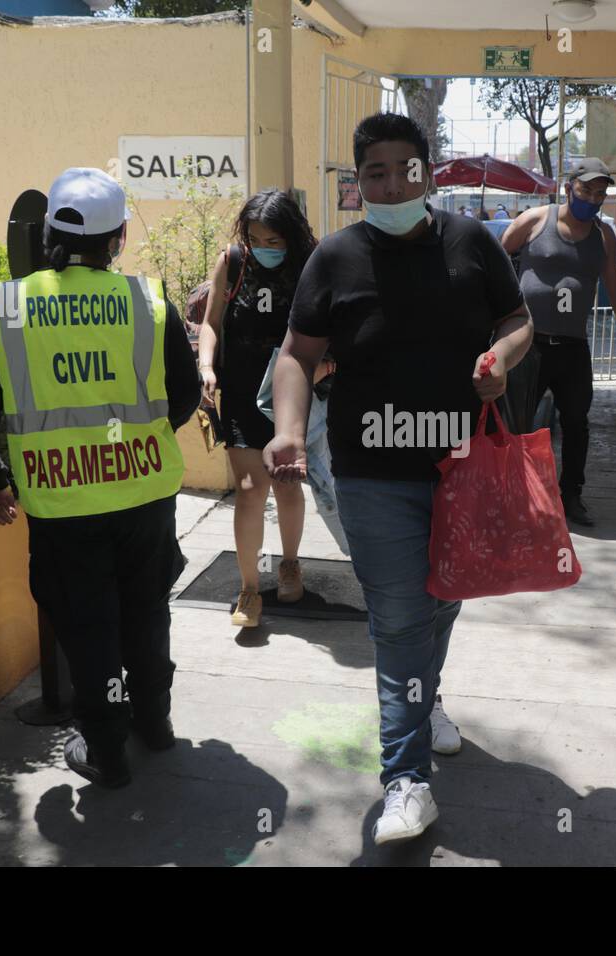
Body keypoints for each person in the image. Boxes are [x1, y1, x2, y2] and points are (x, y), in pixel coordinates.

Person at [264, 112, 533, 845]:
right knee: (399, 617)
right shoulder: (335, 257)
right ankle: (406, 780)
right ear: (358, 183)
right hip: (371, 472)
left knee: (444, 599)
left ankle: (425, 694)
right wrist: (288, 430)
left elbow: (517, 319)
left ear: (428, 173)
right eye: (373, 173)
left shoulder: (472, 243)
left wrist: (502, 359)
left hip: (464, 469)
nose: (388, 185)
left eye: (403, 170)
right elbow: (296, 354)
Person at [0, 167, 201, 788]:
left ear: (49, 236)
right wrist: (140, 440)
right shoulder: (149, 302)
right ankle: (155, 723)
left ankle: (107, 750)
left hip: (60, 504)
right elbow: (185, 394)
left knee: (89, 628)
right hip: (144, 494)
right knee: (146, 613)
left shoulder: (5, 307)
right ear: (118, 239)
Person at [196, 189, 332, 628]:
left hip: (291, 395)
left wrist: (327, 367)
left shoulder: (312, 263)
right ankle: (249, 589)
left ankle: (289, 564)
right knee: (250, 488)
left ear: (291, 235)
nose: (263, 248)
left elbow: (333, 327)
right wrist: (206, 366)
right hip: (240, 391)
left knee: (288, 485)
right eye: (254, 239)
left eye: (273, 241)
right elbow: (211, 323)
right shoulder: (234, 261)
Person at [501, 157, 616, 526]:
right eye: (585, 190)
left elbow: (614, 285)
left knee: (576, 423)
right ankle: (511, 493)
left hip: (573, 347)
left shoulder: (603, 236)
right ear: (568, 188)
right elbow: (496, 259)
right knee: (516, 422)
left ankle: (571, 495)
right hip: (528, 345)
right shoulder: (535, 220)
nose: (592, 199)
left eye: (599, 194)